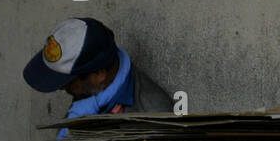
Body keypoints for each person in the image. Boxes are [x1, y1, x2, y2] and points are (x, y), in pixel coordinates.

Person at [22, 17, 171, 116]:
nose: (62, 88)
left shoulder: (152, 113)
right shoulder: (90, 95)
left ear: (99, 74)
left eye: (67, 82)